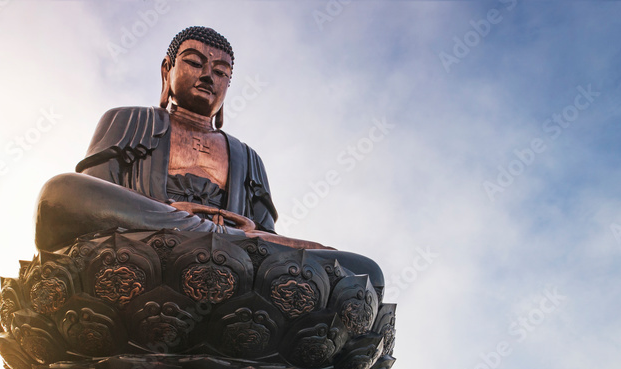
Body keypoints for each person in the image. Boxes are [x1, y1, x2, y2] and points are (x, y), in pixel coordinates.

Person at [33, 26, 382, 288]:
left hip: (229, 263)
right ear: (166, 70)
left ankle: (215, 238)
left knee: (362, 270)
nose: (207, 76)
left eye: (220, 72)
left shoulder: (247, 157)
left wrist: (246, 239)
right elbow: (94, 204)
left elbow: (265, 241)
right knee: (60, 193)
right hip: (137, 250)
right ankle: (204, 233)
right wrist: (182, 219)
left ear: (228, 86)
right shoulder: (129, 119)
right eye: (195, 62)